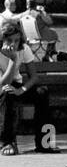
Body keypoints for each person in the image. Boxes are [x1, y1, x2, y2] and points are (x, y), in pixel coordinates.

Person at [1, 19, 56, 155]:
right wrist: (13, 60)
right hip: (2, 86)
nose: (13, 44)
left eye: (17, 40)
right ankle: (7, 142)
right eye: (9, 40)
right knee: (8, 94)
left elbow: (34, 77)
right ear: (2, 39)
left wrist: (22, 90)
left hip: (17, 85)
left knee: (42, 92)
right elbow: (4, 82)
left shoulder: (24, 49)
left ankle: (44, 143)